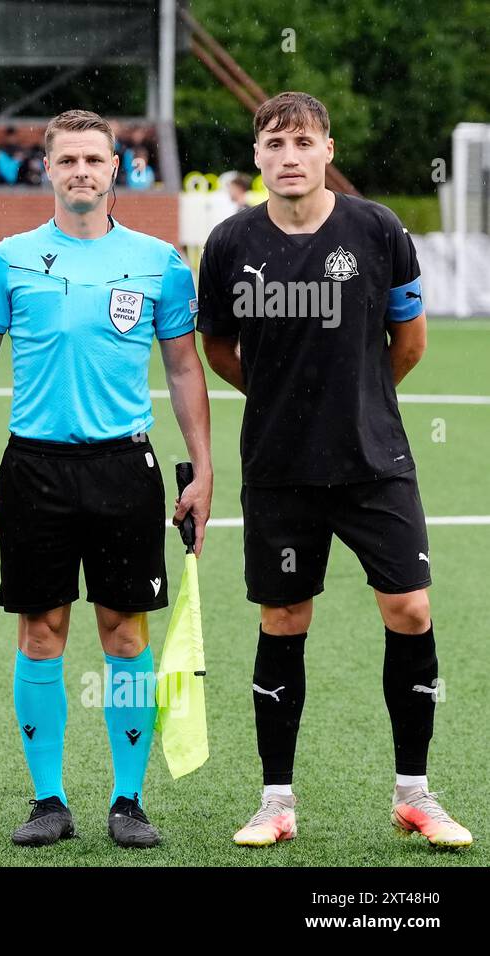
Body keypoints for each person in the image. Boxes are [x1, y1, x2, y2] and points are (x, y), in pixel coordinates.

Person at [198, 92, 473, 850]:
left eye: (303, 141)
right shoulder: (228, 244)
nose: (289, 155)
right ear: (257, 156)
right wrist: (284, 400)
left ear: (326, 150)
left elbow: (408, 342)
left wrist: (358, 399)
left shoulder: (379, 229)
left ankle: (415, 793)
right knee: (284, 619)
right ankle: (275, 802)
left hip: (372, 462)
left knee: (409, 610)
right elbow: (219, 347)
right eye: (274, 143)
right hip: (279, 468)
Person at [0, 109, 212, 849]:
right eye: (67, 160)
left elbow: (184, 367)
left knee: (125, 634)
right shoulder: (9, 259)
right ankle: (49, 800)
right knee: (42, 632)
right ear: (48, 168)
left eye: (94, 160)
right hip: (32, 466)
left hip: (124, 467)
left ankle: (128, 800)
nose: (81, 172)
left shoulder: (159, 261)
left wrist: (204, 467)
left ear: (115, 168)